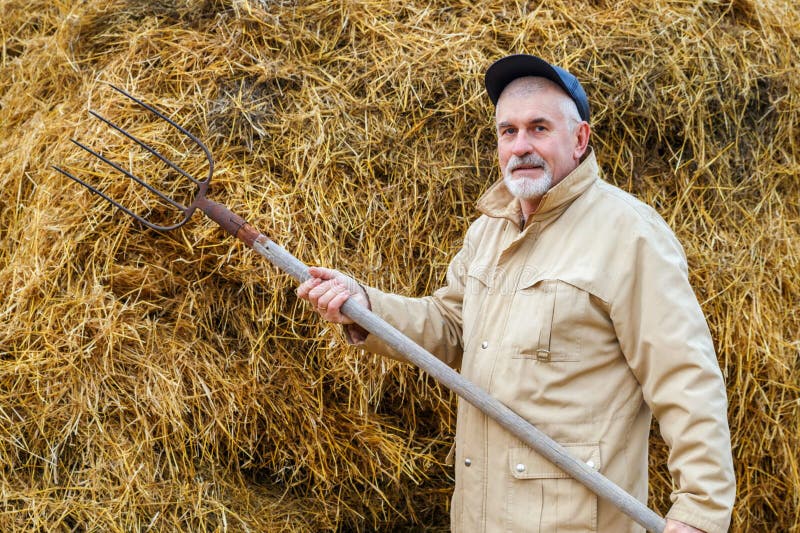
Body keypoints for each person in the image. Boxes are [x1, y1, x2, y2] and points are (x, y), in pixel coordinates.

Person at [296, 54, 735, 533]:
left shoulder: (630, 236)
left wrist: (699, 512)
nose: (521, 146)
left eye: (539, 128)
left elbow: (685, 378)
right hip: (481, 515)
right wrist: (365, 305)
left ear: (580, 139)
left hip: (573, 522)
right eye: (509, 132)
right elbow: (451, 328)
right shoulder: (489, 231)